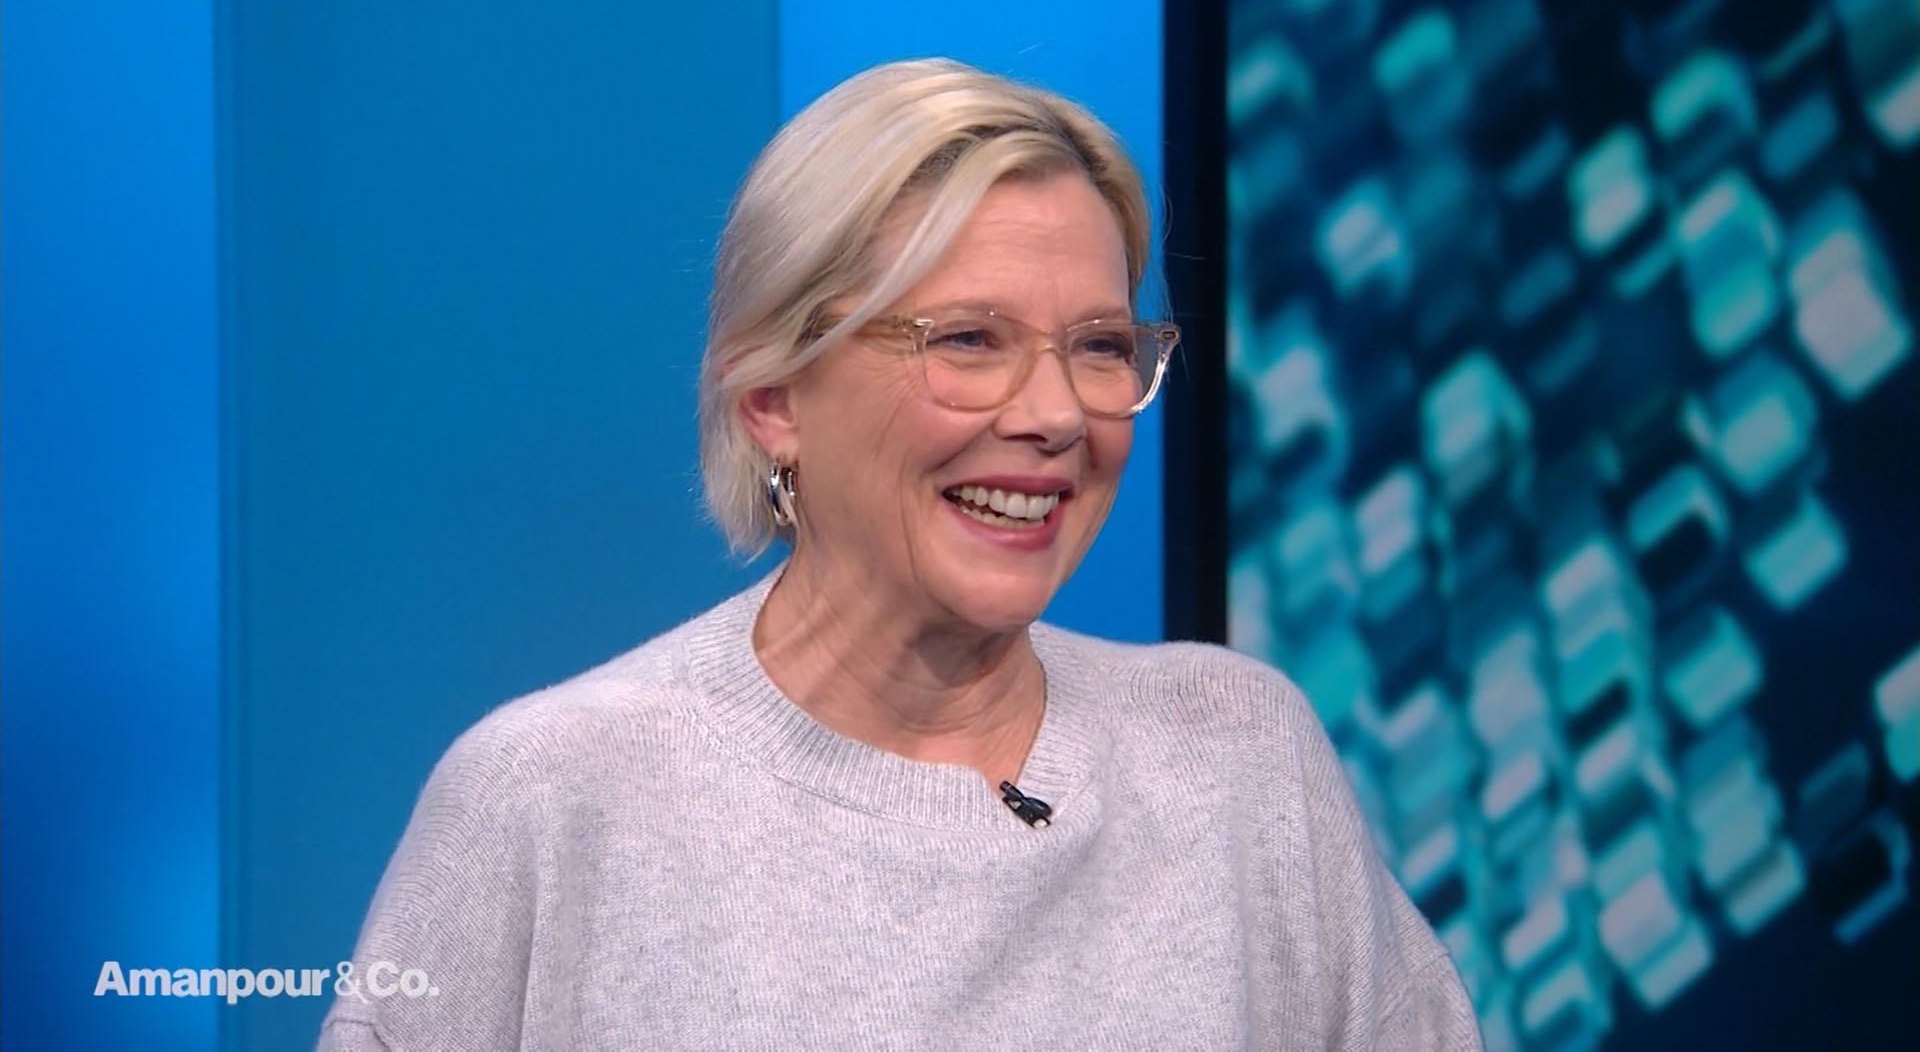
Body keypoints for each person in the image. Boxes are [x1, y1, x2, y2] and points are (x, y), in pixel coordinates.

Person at [317, 58, 1481, 1050]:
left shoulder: (1239, 757)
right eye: (969, 340)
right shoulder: (551, 798)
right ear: (774, 396)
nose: (1056, 416)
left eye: (1099, 346)